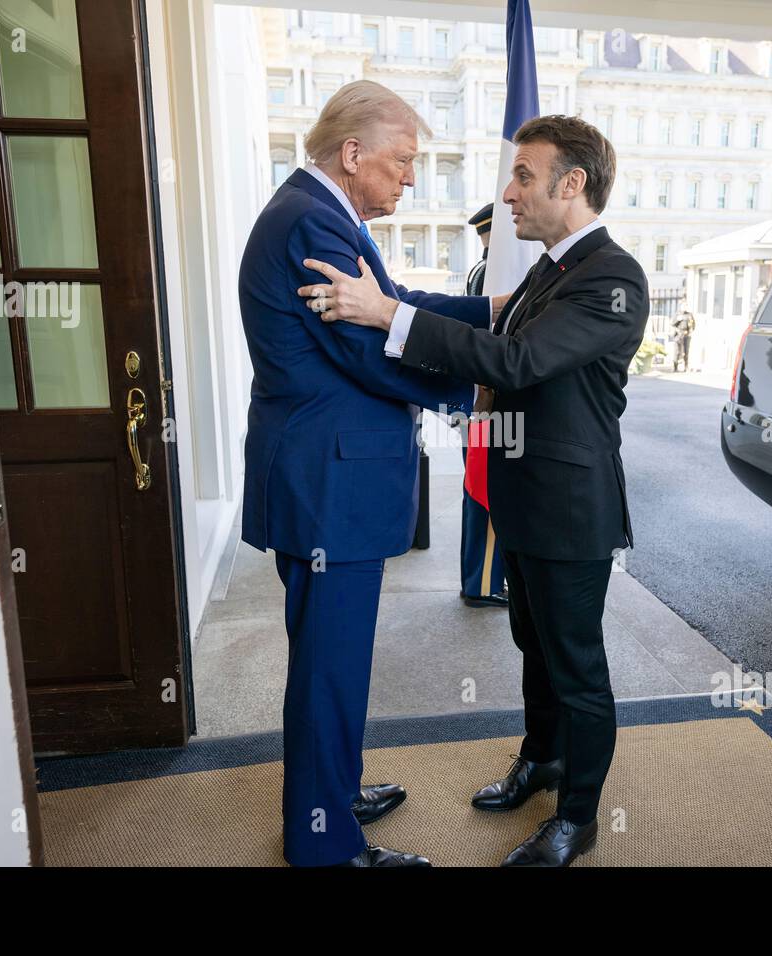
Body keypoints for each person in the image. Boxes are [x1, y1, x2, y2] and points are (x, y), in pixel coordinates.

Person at [299, 115, 649, 866]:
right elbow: (491, 336)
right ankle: (543, 760)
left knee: (577, 665)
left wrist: (389, 314)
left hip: (571, 509)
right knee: (533, 644)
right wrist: (400, 306)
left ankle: (577, 820)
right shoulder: (552, 268)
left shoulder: (612, 277)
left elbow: (517, 360)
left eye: (524, 175)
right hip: (525, 498)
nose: (509, 192)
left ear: (573, 183)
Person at [237, 80, 499, 867]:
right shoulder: (313, 221)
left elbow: (389, 304)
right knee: (328, 665)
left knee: (333, 657)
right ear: (353, 155)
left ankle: (336, 788)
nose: (411, 178)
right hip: (329, 488)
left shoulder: (314, 211)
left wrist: (493, 312)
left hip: (323, 479)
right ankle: (323, 844)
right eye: (403, 161)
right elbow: (368, 347)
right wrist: (481, 383)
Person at [459, 202, 508, 609]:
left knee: (478, 490)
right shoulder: (499, 273)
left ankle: (478, 575)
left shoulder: (480, 269)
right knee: (489, 492)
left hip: (477, 396)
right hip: (490, 400)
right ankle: (484, 581)